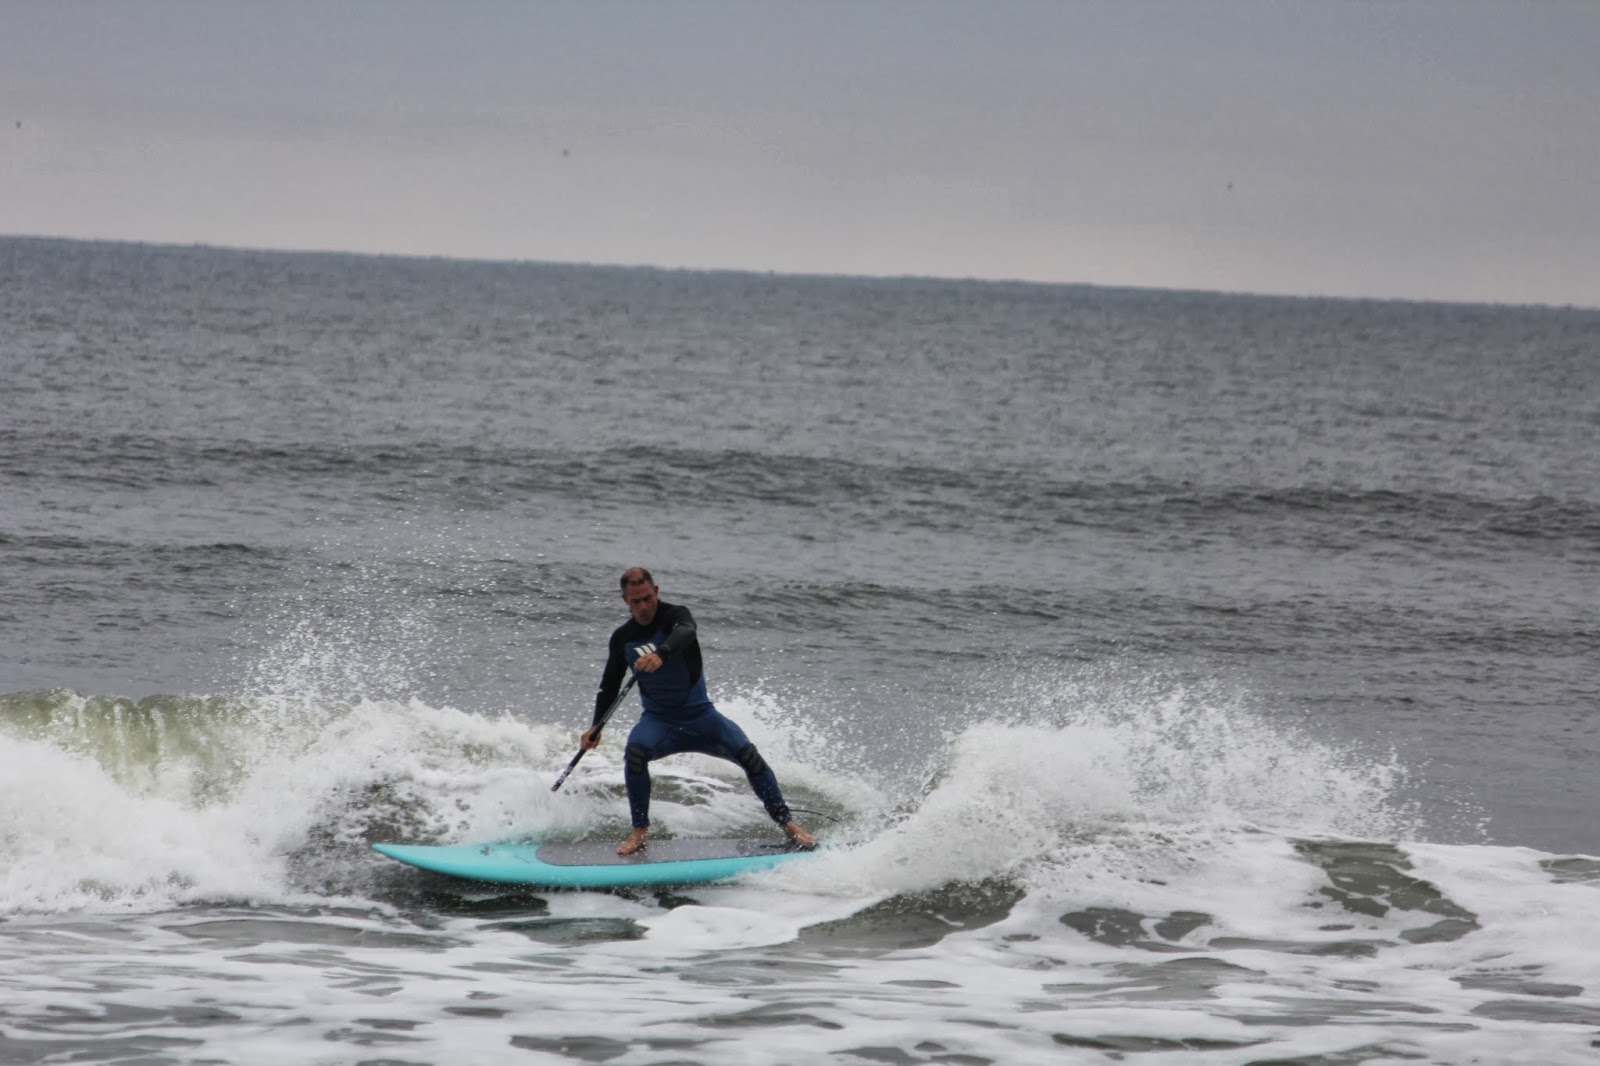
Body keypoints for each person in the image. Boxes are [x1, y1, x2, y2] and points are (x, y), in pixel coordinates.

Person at [581, 567, 814, 855]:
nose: (643, 607)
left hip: (702, 718)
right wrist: (596, 726)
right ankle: (639, 832)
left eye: (647, 599)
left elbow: (687, 632)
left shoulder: (676, 617)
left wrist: (661, 654)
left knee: (750, 758)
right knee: (635, 754)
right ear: (625, 601)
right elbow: (609, 685)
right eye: (635, 602)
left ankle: (789, 825)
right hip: (659, 723)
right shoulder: (623, 638)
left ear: (656, 591)